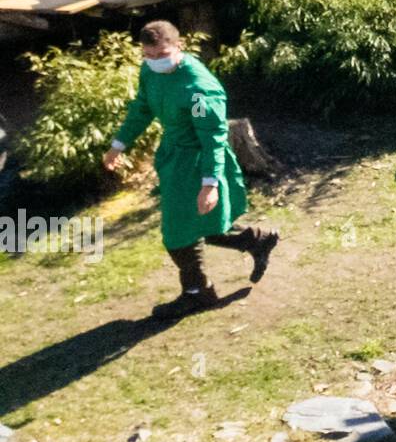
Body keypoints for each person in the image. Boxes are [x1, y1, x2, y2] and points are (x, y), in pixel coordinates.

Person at [103, 20, 278, 320]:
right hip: (174, 158)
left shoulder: (198, 89)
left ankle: (198, 292)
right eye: (148, 56)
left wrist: (209, 183)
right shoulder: (151, 70)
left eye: (161, 55)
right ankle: (255, 240)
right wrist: (119, 144)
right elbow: (143, 106)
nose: (155, 62)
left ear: (178, 46)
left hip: (198, 161)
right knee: (194, 225)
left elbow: (212, 138)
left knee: (177, 232)